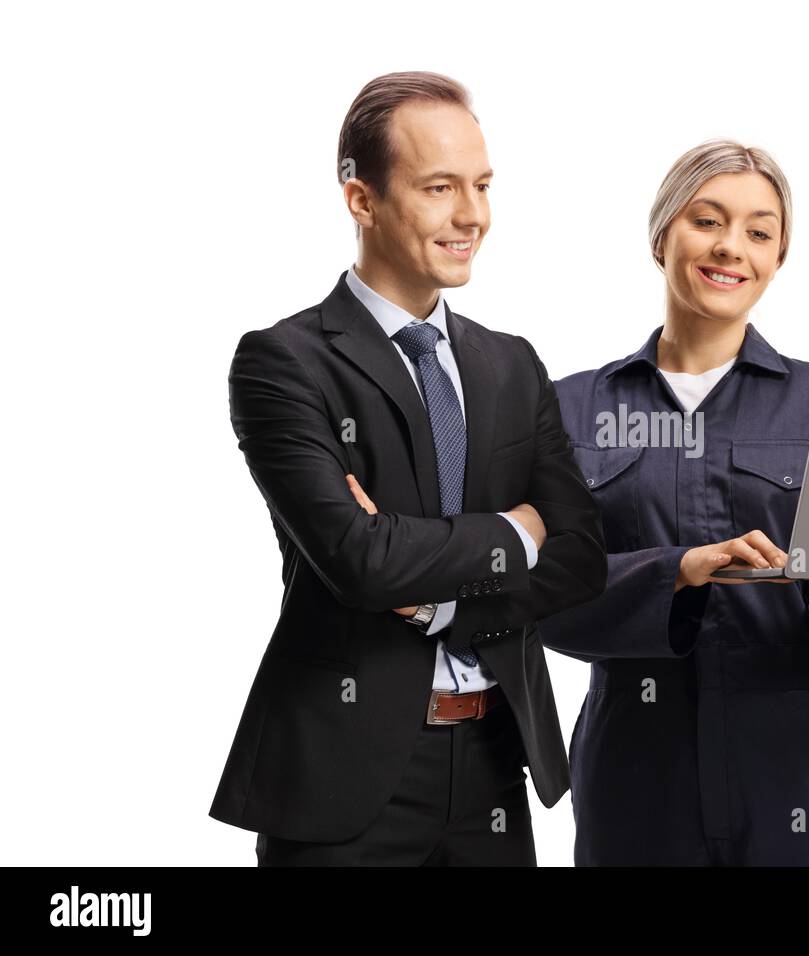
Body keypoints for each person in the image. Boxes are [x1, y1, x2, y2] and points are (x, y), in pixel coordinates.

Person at [536, 139, 809, 866]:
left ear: (778, 257)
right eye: (707, 220)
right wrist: (676, 572)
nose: (731, 247)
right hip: (638, 780)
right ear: (661, 235)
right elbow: (541, 597)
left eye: (759, 231)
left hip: (804, 774)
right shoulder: (570, 409)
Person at [209, 71, 606, 866]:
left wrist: (436, 604)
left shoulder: (511, 364)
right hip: (342, 784)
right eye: (439, 187)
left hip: (495, 763)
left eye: (483, 185)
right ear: (362, 201)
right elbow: (362, 561)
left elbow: (580, 556)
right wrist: (512, 530)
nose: (473, 216)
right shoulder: (284, 364)